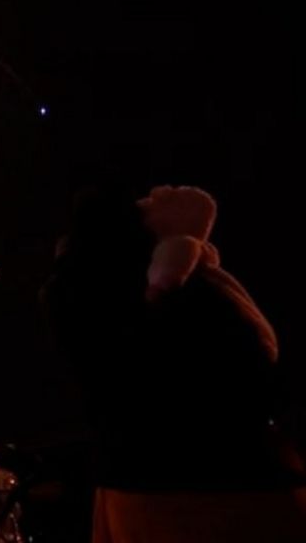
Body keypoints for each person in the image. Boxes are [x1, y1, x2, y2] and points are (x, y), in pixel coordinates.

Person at [42, 184, 306, 543]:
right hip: (234, 491)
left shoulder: (74, 298)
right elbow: (258, 373)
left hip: (127, 490)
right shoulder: (191, 296)